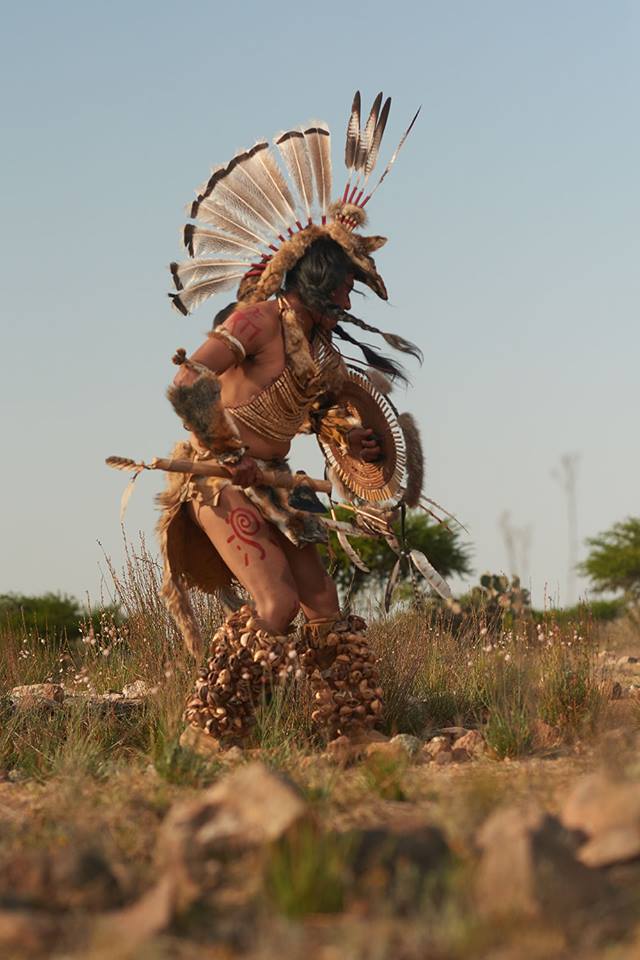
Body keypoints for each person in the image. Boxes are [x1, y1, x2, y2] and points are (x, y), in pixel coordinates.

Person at [157, 92, 422, 747]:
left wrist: (360, 442)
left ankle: (349, 730)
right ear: (321, 281)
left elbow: (335, 422)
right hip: (223, 483)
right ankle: (208, 732)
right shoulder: (256, 322)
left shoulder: (321, 352)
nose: (351, 298)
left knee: (325, 606)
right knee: (274, 606)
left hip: (276, 483)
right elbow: (186, 379)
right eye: (346, 286)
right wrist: (225, 450)